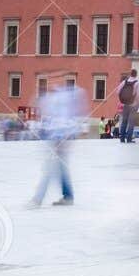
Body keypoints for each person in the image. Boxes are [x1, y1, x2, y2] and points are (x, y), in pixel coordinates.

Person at [33, 79, 90, 207]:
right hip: (59, 136)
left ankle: (38, 199)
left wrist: (63, 137)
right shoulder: (63, 97)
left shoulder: (63, 97)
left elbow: (65, 119)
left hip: (60, 137)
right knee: (60, 168)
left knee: (50, 169)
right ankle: (67, 196)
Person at [115, 69, 139, 143]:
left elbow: (118, 91)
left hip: (125, 104)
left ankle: (122, 139)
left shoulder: (124, 82)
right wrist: (137, 103)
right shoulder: (137, 83)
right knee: (131, 122)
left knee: (124, 122)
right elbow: (138, 95)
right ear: (136, 75)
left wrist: (122, 99)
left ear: (130, 74)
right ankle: (129, 139)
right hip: (133, 104)